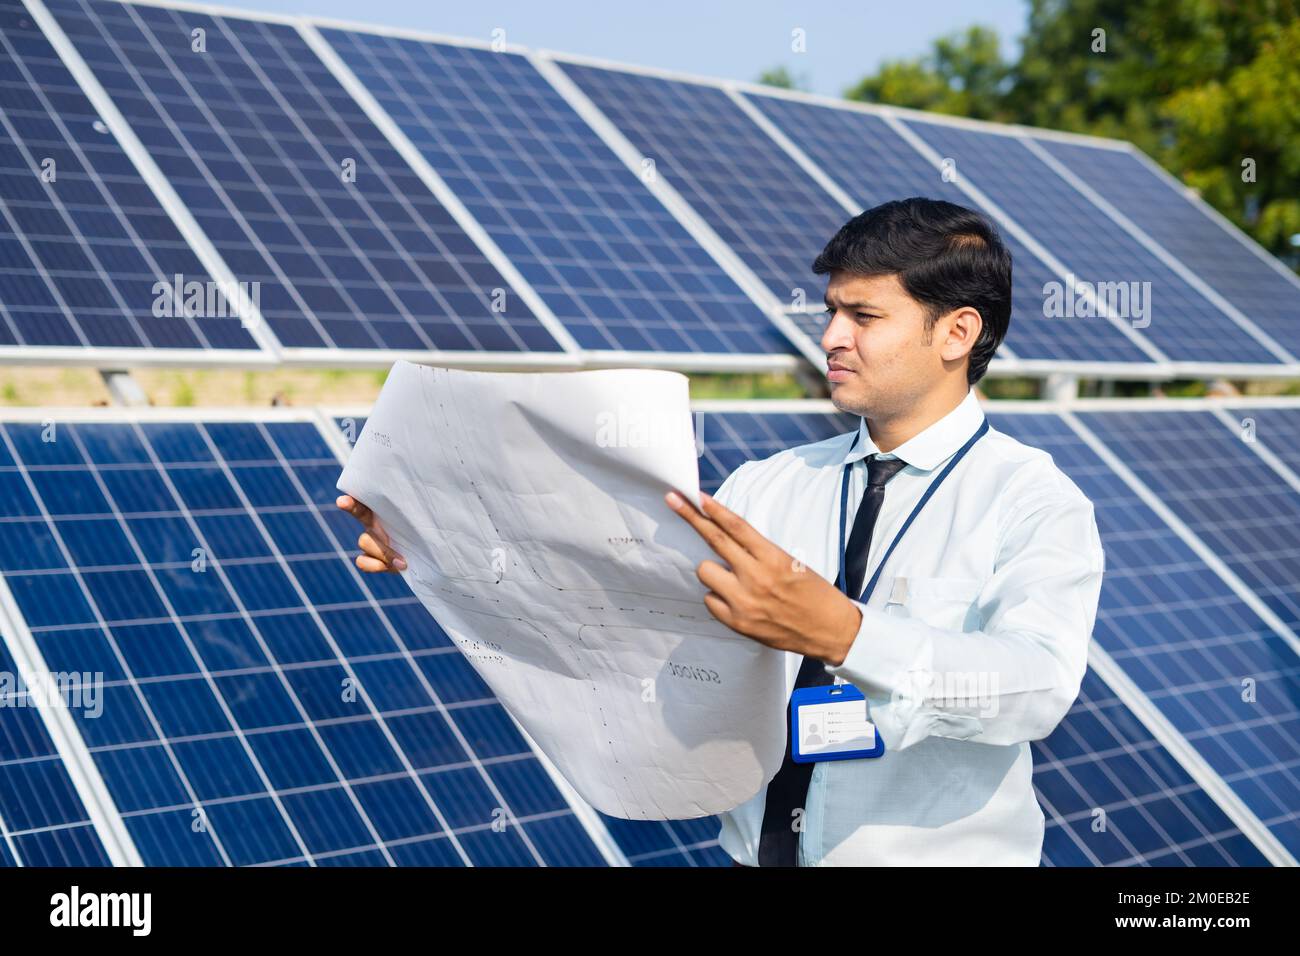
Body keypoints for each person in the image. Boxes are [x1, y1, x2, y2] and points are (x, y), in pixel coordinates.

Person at [338, 197, 1105, 867]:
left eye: (864, 316)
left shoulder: (1031, 500)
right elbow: (626, 613)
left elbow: (1036, 688)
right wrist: (442, 546)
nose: (832, 336)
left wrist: (846, 634)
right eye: (831, 311)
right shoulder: (764, 487)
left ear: (957, 333)